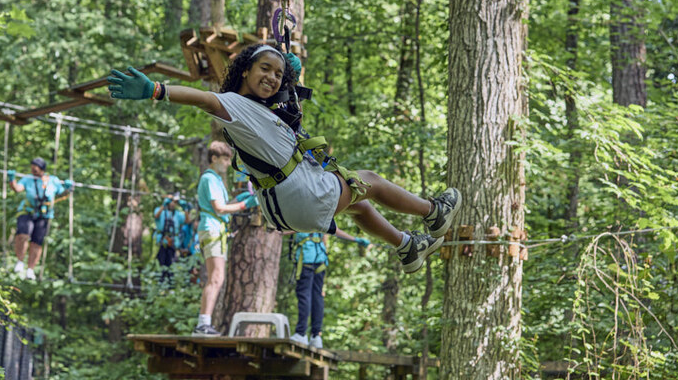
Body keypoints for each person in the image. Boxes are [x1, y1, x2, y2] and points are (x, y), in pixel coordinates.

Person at [106, 42, 461, 278]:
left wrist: (290, 80)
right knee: (370, 181)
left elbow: (286, 122)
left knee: (360, 207)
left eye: (277, 74)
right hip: (299, 193)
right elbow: (203, 98)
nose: (272, 78)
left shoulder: (258, 110)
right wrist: (157, 90)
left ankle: (407, 247)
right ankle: (433, 212)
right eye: (264, 68)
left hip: (282, 208)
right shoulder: (234, 104)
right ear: (245, 70)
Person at [191, 141, 259, 336]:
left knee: (217, 277)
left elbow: (222, 205)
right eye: (226, 159)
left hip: (215, 229)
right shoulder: (210, 178)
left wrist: (236, 201)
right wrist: (244, 205)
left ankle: (204, 322)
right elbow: (219, 209)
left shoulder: (216, 180)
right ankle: (203, 323)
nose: (228, 164)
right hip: (211, 229)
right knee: (216, 277)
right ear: (214, 158)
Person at [286, 230, 370, 349]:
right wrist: (355, 239)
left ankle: (301, 333)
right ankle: (316, 336)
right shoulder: (321, 213)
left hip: (306, 258)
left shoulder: (300, 214)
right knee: (317, 297)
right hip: (320, 259)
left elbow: (283, 229)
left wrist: (273, 226)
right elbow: (333, 231)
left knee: (304, 295)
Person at [7, 157, 73, 280]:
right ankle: (20, 262)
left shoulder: (53, 181)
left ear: (42, 169)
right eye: (32, 168)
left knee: (37, 242)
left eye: (35, 168)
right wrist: (12, 180)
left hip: (44, 215)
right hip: (27, 211)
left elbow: (62, 193)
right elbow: (17, 188)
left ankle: (30, 270)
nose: (33, 170)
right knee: (23, 235)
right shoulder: (28, 179)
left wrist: (68, 188)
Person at [153, 195, 185, 284]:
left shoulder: (178, 214)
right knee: (161, 265)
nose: (172, 204)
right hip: (162, 242)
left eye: (174, 202)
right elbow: (156, 216)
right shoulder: (161, 211)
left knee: (172, 266)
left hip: (173, 243)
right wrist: (164, 205)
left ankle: (171, 286)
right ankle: (160, 285)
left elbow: (186, 221)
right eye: (171, 201)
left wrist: (185, 207)